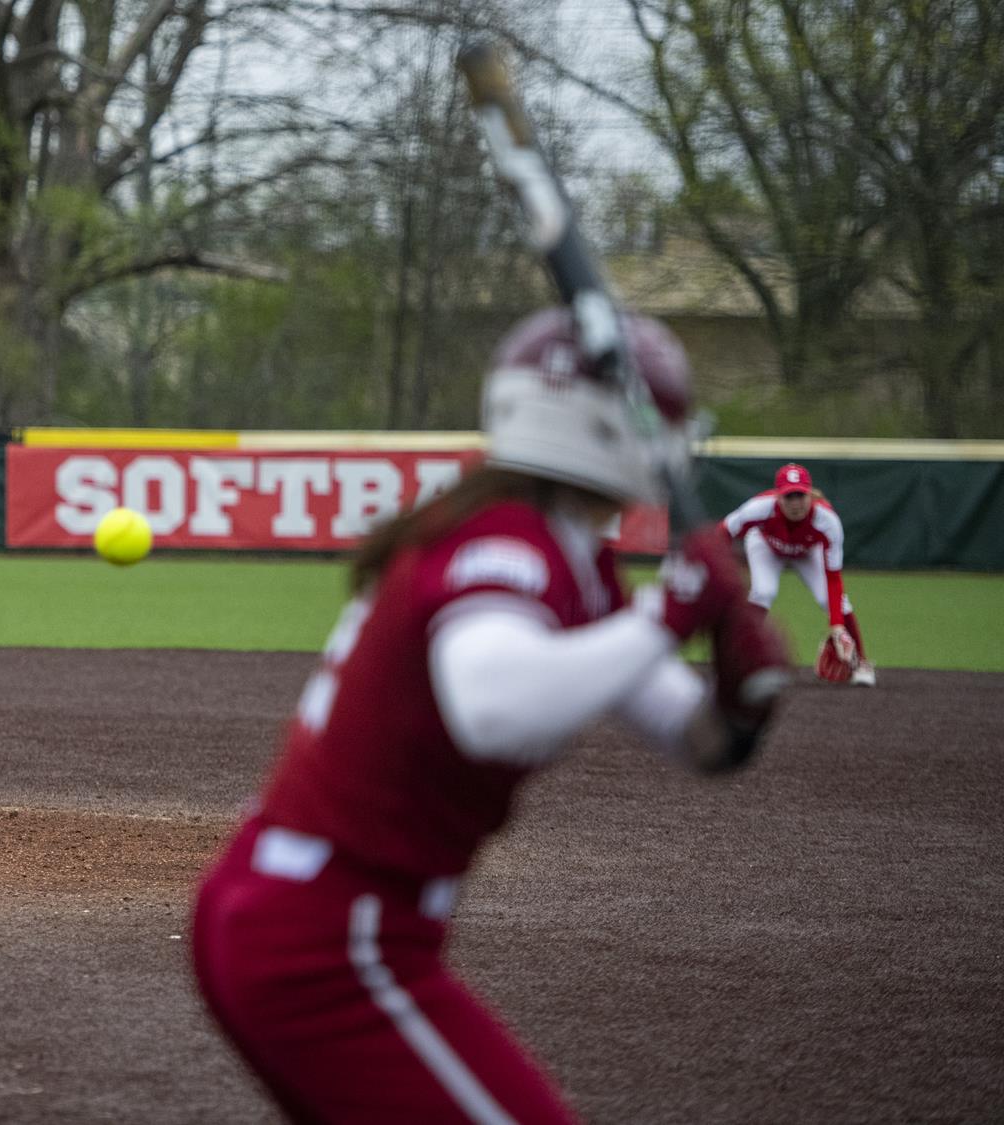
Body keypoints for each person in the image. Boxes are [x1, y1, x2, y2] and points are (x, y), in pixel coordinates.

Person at [189, 308, 792, 1125]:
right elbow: (493, 708)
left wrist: (737, 701)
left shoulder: (570, 559)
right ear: (603, 429)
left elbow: (696, 740)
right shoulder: (505, 540)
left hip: (313, 919)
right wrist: (671, 614)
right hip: (331, 939)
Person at [721, 463, 875, 686]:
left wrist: (837, 624)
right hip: (765, 545)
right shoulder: (759, 508)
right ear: (778, 497)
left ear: (810, 495)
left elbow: (833, 577)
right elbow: (723, 532)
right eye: (788, 496)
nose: (795, 503)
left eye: (800, 495)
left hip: (807, 551)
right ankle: (738, 661)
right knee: (763, 592)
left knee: (835, 603)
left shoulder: (827, 521)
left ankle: (861, 662)